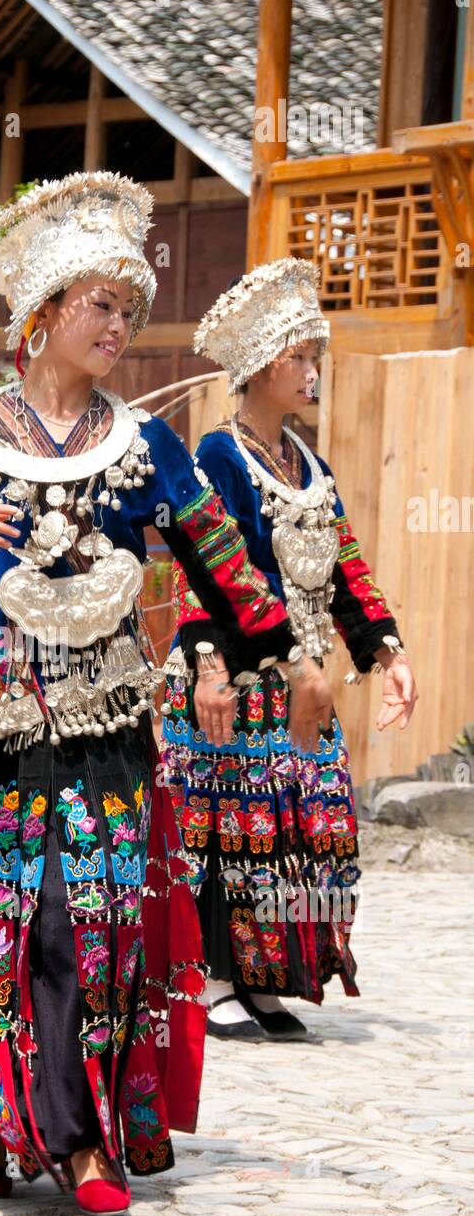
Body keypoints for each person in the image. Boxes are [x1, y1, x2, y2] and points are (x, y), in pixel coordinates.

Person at [0, 174, 320, 1216]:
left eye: (128, 307)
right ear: (38, 316)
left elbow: (227, 567)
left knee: (87, 920)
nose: (118, 323)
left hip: (109, 733)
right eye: (98, 305)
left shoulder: (148, 448)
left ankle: (77, 1140)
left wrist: (298, 653)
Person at [162, 258, 418, 1042]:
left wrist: (385, 652)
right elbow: (207, 573)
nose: (311, 372)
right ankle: (210, 977)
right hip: (238, 676)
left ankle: (263, 975)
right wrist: (212, 668)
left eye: (313, 356)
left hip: (307, 682)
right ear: (261, 365)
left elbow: (345, 567)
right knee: (228, 827)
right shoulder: (216, 457)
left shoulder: (308, 465)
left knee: (300, 829)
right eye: (300, 357)